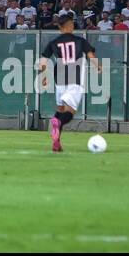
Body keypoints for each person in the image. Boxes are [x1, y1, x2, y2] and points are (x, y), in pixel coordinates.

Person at [38, 12, 100, 152]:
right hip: (75, 78)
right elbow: (91, 55)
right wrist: (99, 66)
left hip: (59, 79)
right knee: (69, 113)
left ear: (59, 27)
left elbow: (42, 62)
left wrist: (44, 76)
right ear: (71, 26)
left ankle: (56, 142)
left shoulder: (53, 43)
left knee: (60, 110)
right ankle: (57, 122)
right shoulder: (80, 41)